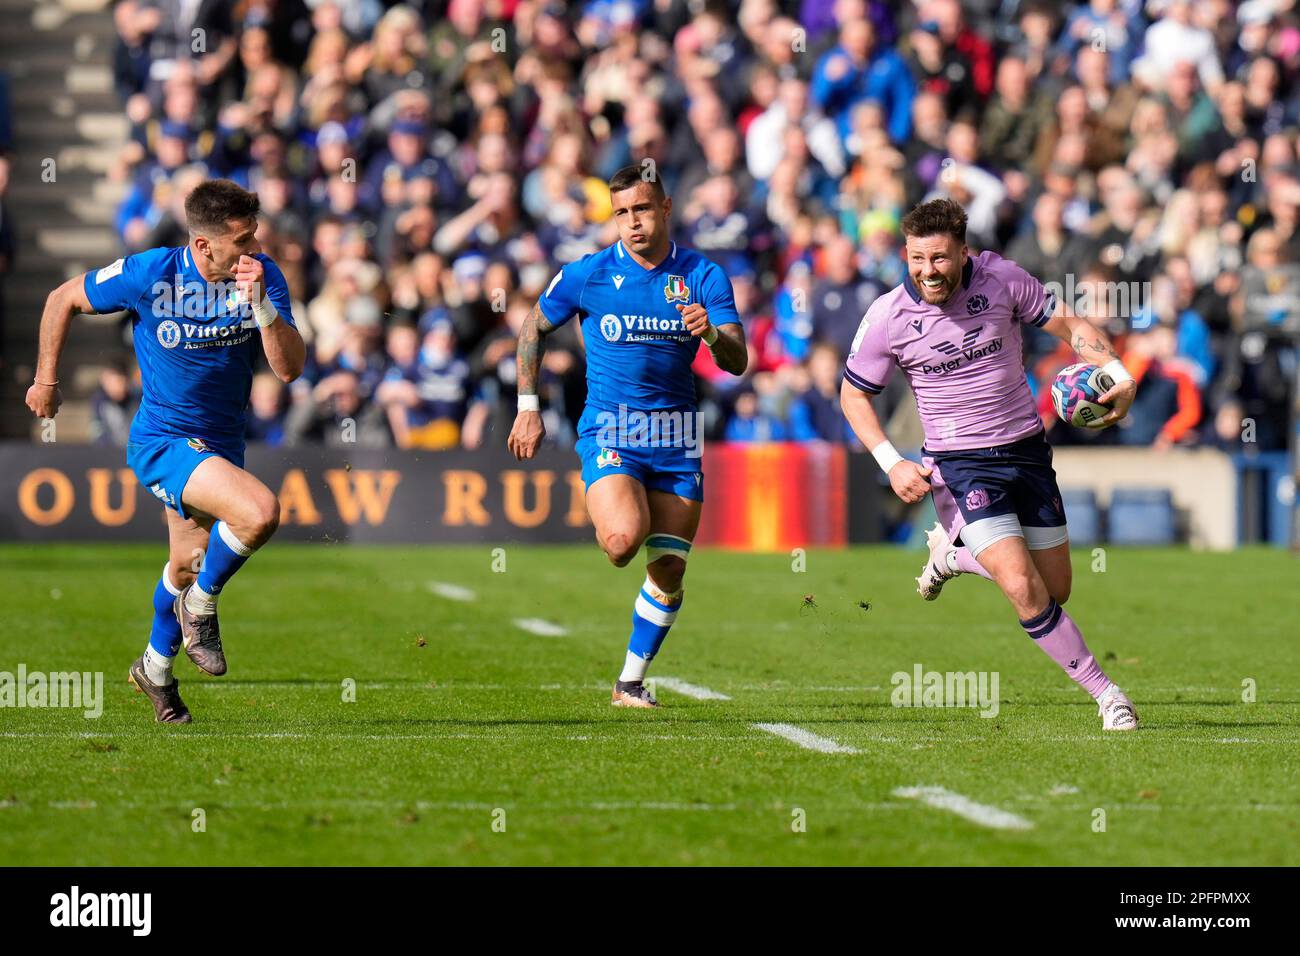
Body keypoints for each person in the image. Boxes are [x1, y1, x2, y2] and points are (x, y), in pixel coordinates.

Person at [839, 198, 1140, 731]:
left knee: (1056, 590)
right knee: (1023, 588)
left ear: (963, 252)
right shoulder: (889, 315)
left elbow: (1070, 325)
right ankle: (1107, 694)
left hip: (1026, 451)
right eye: (916, 259)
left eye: (939, 259)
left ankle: (952, 557)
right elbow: (853, 396)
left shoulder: (1001, 278)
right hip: (959, 464)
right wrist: (891, 462)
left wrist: (1117, 370)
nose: (927, 271)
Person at [25, 179, 304, 724]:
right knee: (260, 513)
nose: (253, 250)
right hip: (164, 440)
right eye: (242, 241)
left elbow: (289, 370)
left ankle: (153, 669)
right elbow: (62, 299)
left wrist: (263, 308)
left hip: (222, 442)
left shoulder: (262, 276)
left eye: (254, 238)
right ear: (203, 245)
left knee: (187, 563)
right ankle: (199, 608)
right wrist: (46, 380)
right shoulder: (151, 272)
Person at [507, 165, 747, 708]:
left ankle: (629, 683)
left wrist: (709, 332)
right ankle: (607, 490)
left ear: (664, 209)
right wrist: (528, 406)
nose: (632, 223)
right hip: (611, 426)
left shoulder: (703, 275)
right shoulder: (587, 274)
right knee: (621, 542)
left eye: (641, 209)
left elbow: (738, 359)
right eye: (621, 213)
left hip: (678, 433)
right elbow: (532, 328)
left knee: (669, 569)